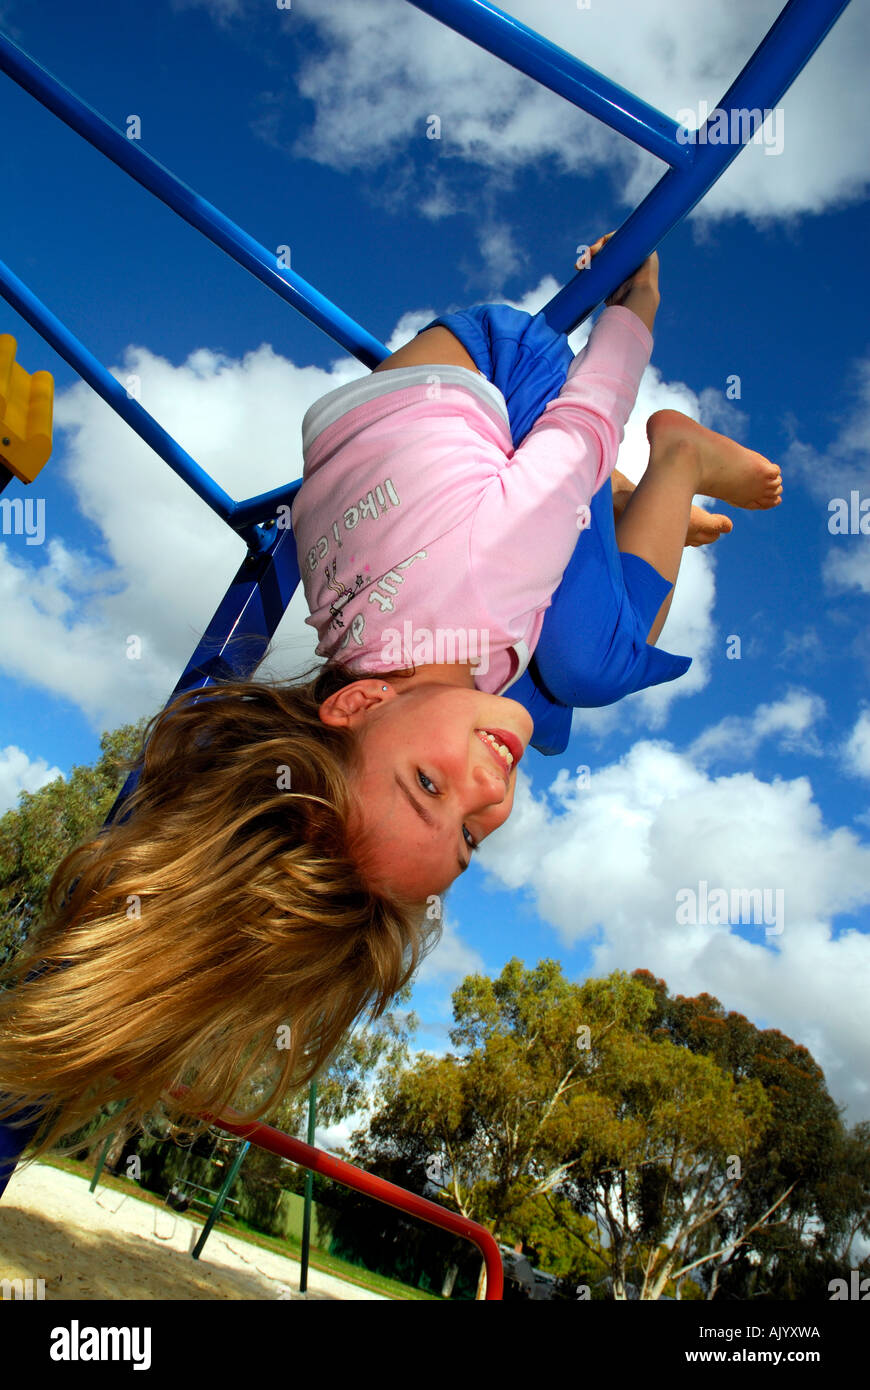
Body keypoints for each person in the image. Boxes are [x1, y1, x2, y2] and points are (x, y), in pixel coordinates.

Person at [0, 238, 781, 1171]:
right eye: (470, 837)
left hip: (491, 368)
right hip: (381, 450)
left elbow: (588, 414)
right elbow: (460, 699)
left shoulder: (490, 572)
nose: (484, 793)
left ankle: (676, 463)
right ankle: (619, 517)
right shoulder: (366, 667)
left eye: (426, 786)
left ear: (358, 703)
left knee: (589, 661)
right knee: (543, 704)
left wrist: (635, 301)